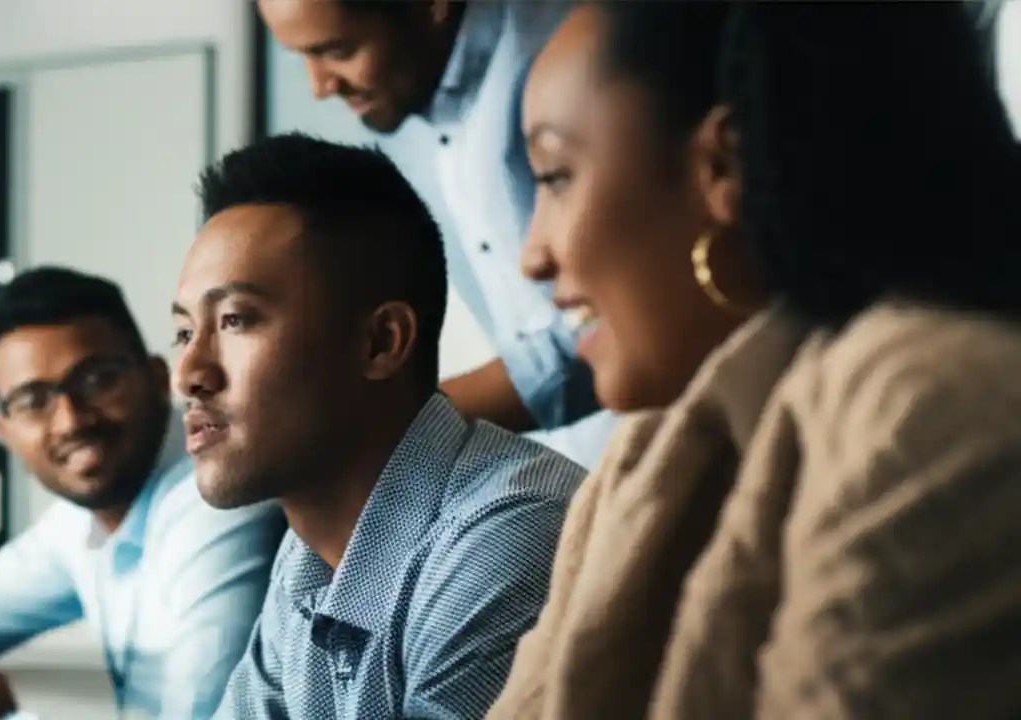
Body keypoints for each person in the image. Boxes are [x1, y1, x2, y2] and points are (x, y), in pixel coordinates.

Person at [488, 2, 1021, 718]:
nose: (533, 255)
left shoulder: (927, 403)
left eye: (554, 177)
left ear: (724, 164)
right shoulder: (636, 468)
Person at [171, 134, 585, 719]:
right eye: (185, 332)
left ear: (382, 342)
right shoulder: (310, 556)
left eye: (236, 320)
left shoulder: (507, 538)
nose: (189, 373)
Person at [0, 267, 285, 720]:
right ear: (6, 431)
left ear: (160, 380)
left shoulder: (213, 498)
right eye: (33, 400)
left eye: (96, 381)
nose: (71, 421)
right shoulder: (82, 522)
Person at [258, 0, 617, 468]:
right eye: (300, 55)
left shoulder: (571, 57)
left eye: (338, 50)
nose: (319, 86)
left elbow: (613, 321)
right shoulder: (393, 107)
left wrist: (385, 426)